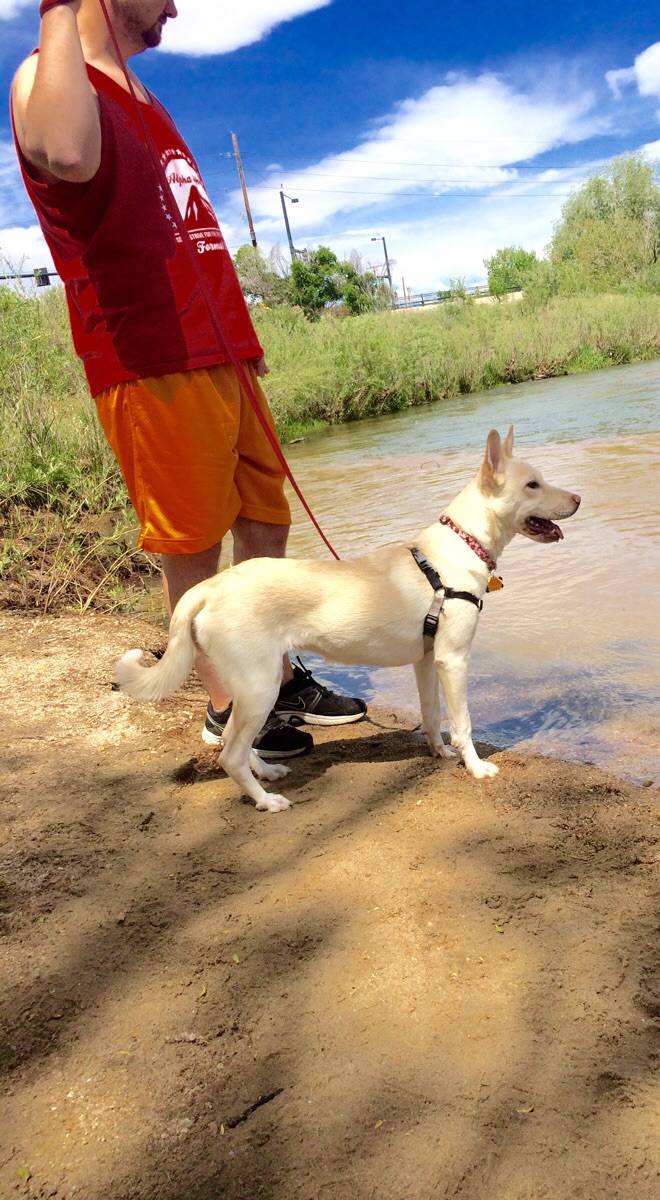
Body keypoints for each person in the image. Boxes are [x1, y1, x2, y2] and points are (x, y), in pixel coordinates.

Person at [10, 0, 366, 759]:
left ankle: (271, 670)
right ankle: (228, 705)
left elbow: (189, 227)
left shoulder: (145, 96)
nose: (175, 6)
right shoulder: (47, 75)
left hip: (220, 352)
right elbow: (67, 154)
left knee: (264, 519)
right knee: (193, 540)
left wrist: (241, 339)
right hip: (151, 357)